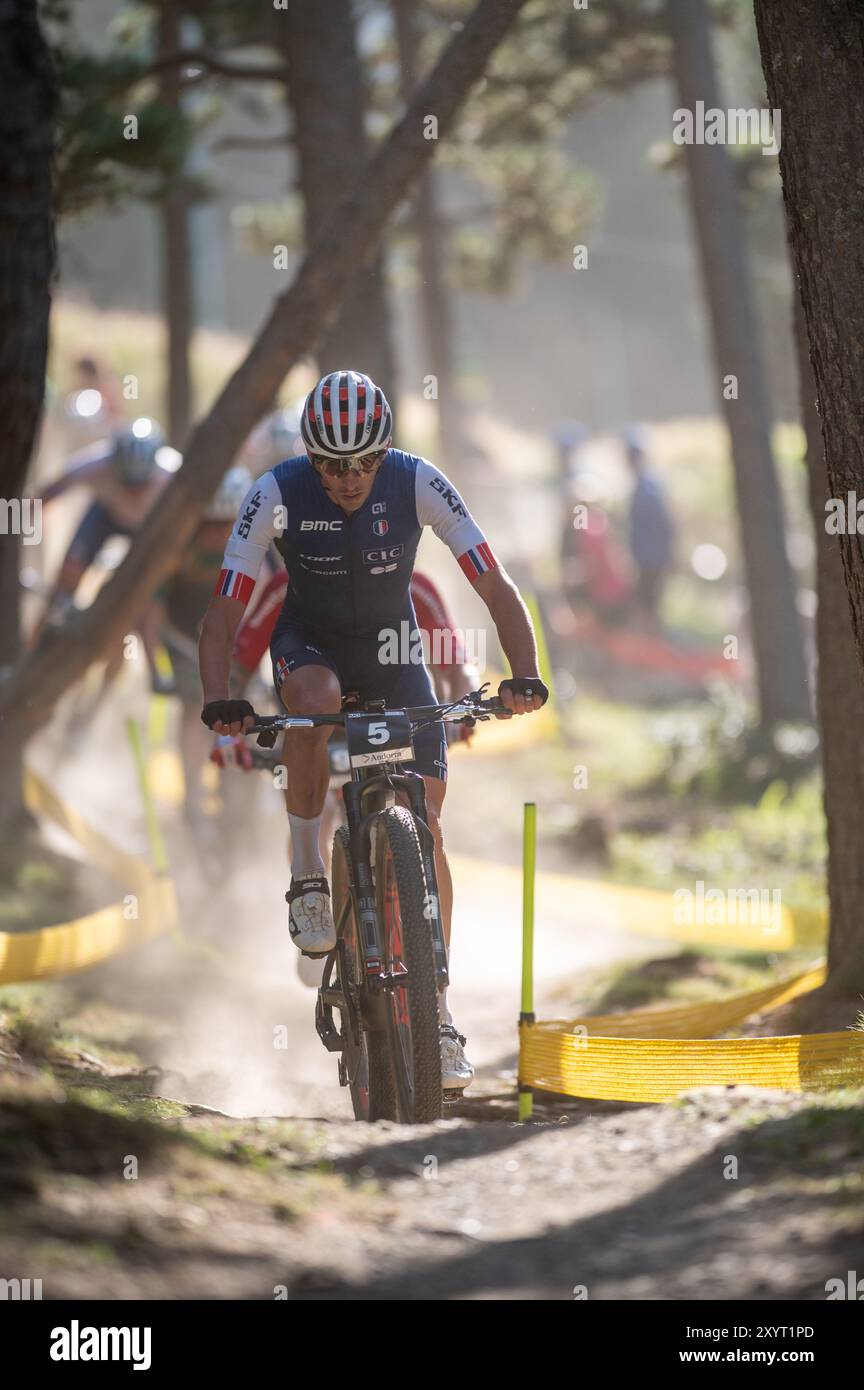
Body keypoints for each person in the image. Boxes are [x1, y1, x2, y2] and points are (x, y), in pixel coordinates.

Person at [198, 369, 548, 1094]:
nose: (349, 478)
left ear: (385, 453)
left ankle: (439, 1014)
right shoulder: (275, 491)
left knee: (428, 830)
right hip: (311, 650)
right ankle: (307, 875)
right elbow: (225, 609)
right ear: (309, 455)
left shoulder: (418, 481)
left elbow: (492, 581)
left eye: (363, 463)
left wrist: (525, 674)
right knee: (313, 698)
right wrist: (219, 699)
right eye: (331, 464)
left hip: (395, 657)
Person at [36, 418, 175, 689]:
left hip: (147, 529)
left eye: (140, 485)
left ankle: (109, 682)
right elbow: (50, 491)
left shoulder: (173, 474)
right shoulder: (96, 463)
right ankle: (37, 640)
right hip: (104, 515)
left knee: (132, 602)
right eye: (126, 483)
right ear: (114, 467)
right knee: (67, 575)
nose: (133, 492)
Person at [156, 467, 253, 831]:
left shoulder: (256, 543)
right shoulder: (177, 544)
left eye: (224, 524)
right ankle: (192, 794)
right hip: (184, 638)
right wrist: (154, 666)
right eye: (208, 524)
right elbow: (151, 608)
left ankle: (248, 799)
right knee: (195, 706)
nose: (215, 534)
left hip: (238, 642)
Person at [623, 428, 675, 627]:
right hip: (649, 558)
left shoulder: (647, 489)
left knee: (647, 607)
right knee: (647, 607)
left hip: (651, 560)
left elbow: (663, 525)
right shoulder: (647, 485)